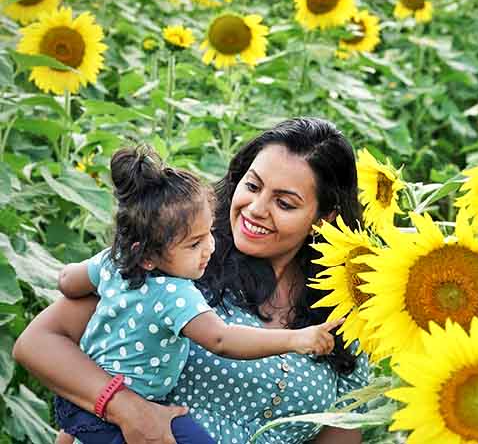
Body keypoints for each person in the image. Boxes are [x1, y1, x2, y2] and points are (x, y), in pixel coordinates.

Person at [14, 117, 369, 444]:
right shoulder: (177, 257)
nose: (256, 208)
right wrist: (128, 410)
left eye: (285, 203)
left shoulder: (344, 306)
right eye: (253, 185)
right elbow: (39, 342)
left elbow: (343, 425)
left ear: (324, 218)